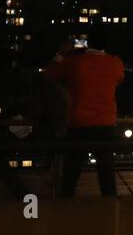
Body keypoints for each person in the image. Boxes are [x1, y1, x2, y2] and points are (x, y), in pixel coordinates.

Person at [44, 32, 125, 197]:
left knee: (71, 173)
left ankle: (66, 210)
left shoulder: (74, 62)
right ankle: (111, 211)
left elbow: (50, 74)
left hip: (79, 124)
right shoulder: (115, 63)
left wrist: (61, 53)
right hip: (105, 124)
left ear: (87, 43)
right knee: (106, 173)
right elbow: (119, 78)